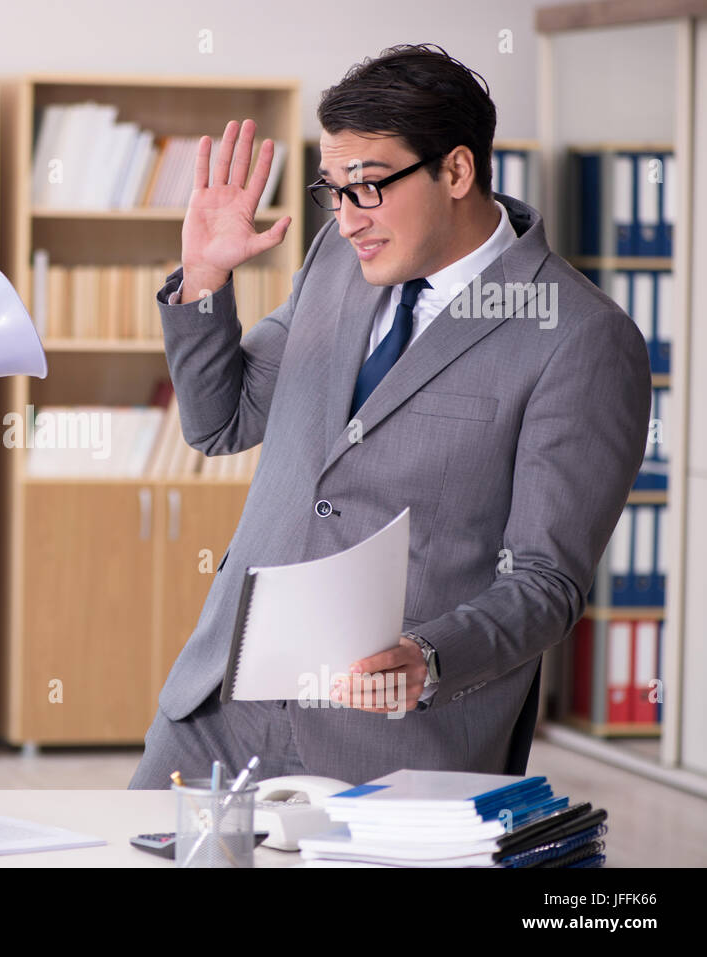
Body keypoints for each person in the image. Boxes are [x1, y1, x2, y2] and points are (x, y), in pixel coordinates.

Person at [129, 44, 651, 788]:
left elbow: (544, 583)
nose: (345, 220)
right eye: (332, 191)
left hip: (394, 743)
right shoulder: (338, 262)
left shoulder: (580, 337)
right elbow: (220, 422)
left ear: (457, 171)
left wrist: (431, 656)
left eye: (367, 188)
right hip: (219, 710)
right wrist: (207, 277)